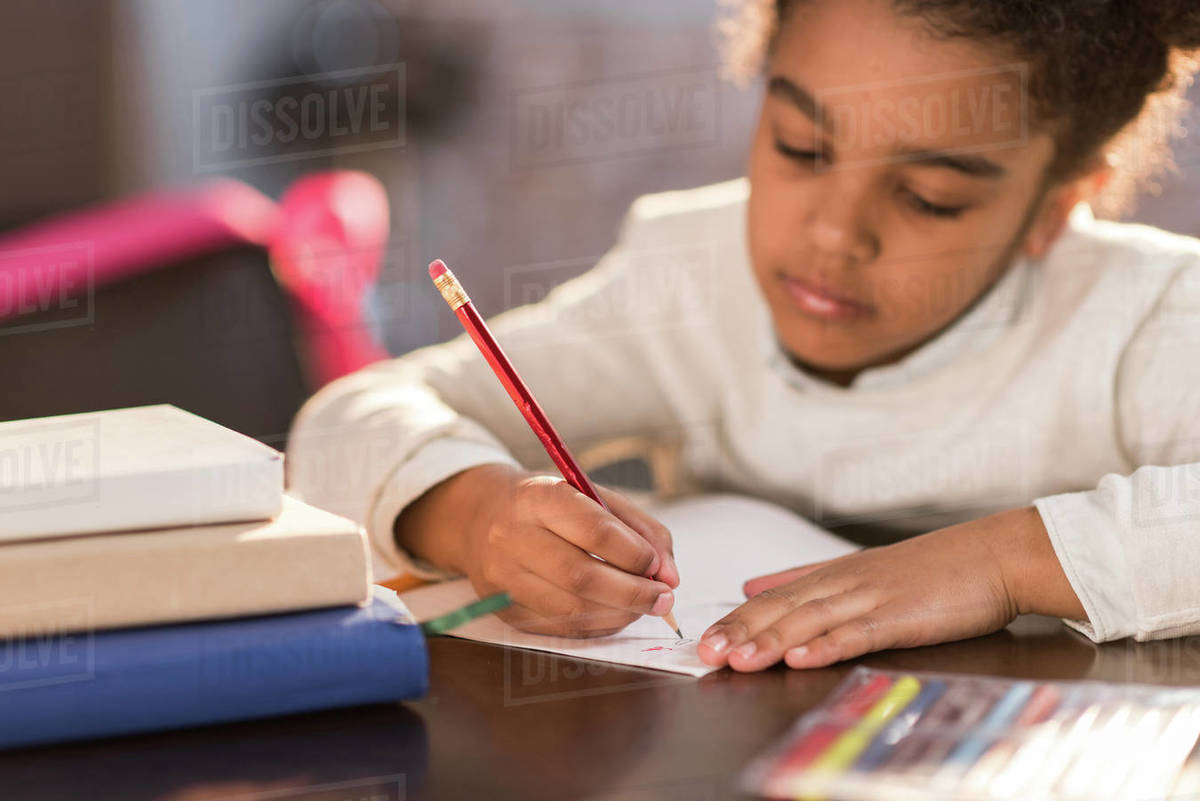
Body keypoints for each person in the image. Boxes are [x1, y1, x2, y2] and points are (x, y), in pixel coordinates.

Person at [287, 0, 1200, 671]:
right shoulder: (692, 280)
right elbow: (349, 416)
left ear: (1060, 204)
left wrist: (1002, 560)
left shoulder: (1141, 315)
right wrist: (474, 512)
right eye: (802, 146)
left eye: (931, 198)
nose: (833, 234)